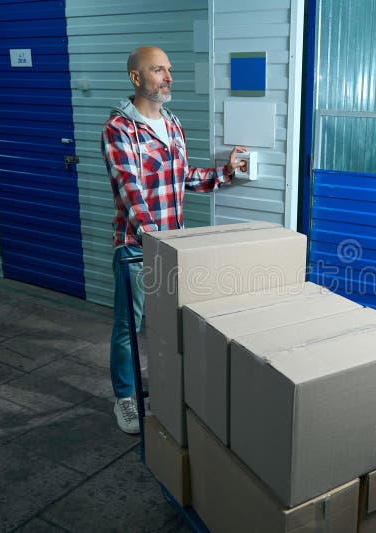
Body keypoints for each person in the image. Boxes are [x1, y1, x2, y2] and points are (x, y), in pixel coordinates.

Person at [101, 46, 247, 434]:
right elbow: (130, 191)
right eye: (158, 70)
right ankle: (126, 399)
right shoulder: (119, 129)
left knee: (168, 326)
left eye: (169, 69)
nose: (168, 77)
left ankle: (166, 388)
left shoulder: (173, 124)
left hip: (171, 248)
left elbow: (180, 178)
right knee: (129, 327)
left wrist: (224, 173)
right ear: (136, 78)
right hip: (136, 247)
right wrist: (155, 243)